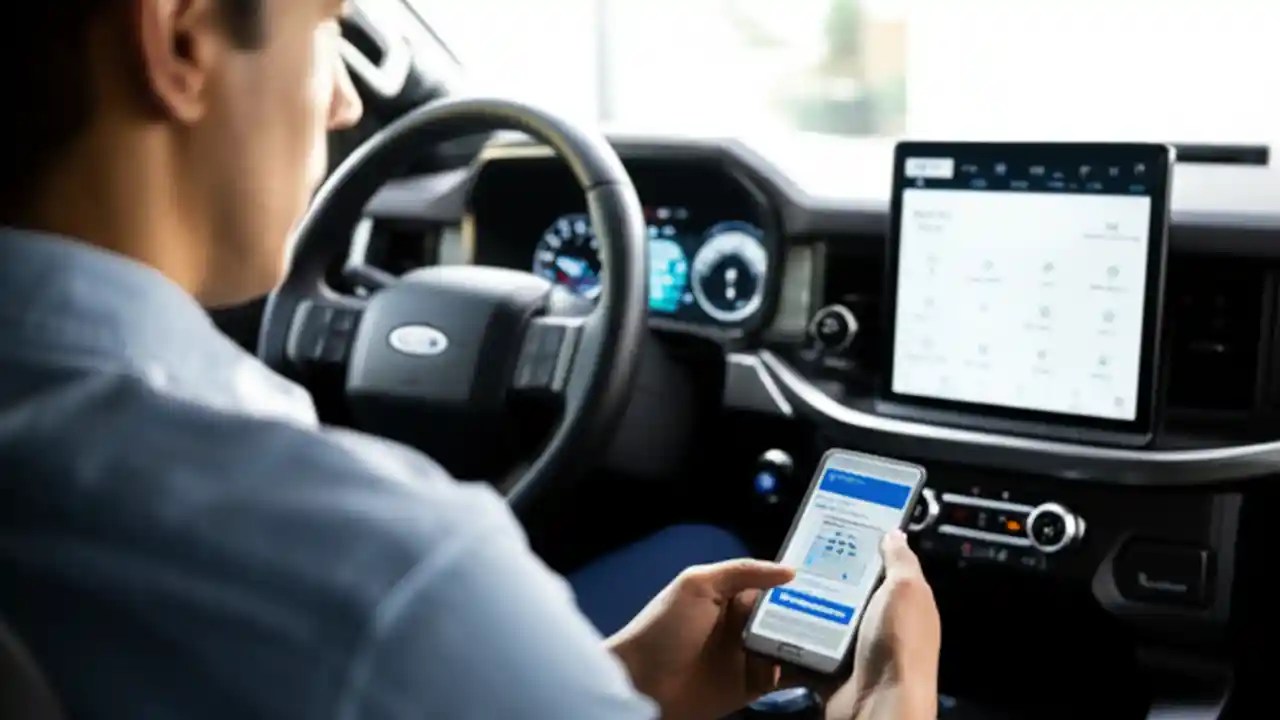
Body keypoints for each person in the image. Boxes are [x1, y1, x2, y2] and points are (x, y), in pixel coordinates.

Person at [0, 1, 942, 718]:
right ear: (183, 43)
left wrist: (605, 686)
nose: (344, 97)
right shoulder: (388, 573)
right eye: (328, 27)